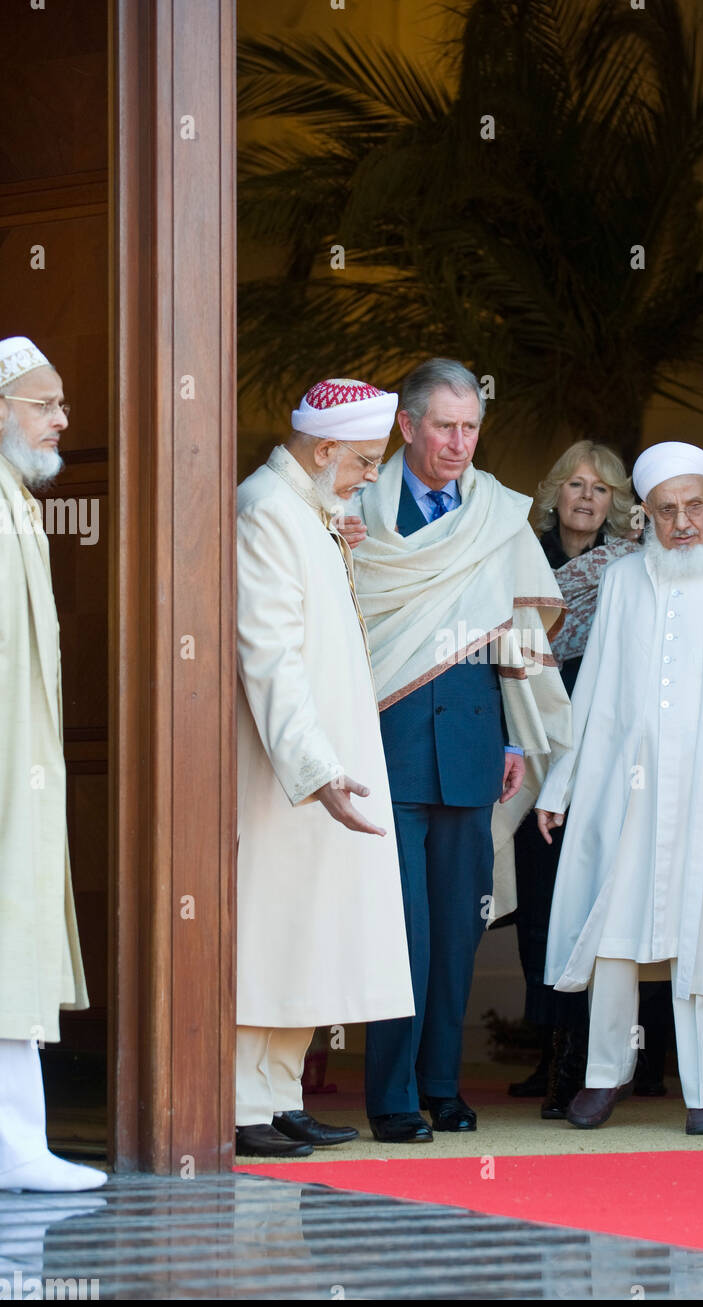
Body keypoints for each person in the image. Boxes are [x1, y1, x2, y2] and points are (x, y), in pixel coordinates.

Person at [536, 441, 703, 1136]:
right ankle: (602, 1078)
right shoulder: (625, 581)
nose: (681, 522)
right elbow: (591, 688)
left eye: (693, 506)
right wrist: (558, 787)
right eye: (665, 510)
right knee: (614, 934)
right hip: (629, 793)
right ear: (646, 515)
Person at [352, 358, 572, 1142]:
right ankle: (391, 1096)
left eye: (469, 426)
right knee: (400, 929)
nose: (457, 443)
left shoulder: (497, 514)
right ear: (406, 425)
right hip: (387, 744)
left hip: (476, 747)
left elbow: (516, 628)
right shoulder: (357, 509)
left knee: (455, 929)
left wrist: (516, 733)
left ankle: (441, 1086)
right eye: (443, 426)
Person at [235, 377, 415, 1157]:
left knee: (308, 931)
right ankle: (240, 1104)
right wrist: (313, 768)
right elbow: (268, 655)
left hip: (326, 760)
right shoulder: (266, 511)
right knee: (270, 930)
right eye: (366, 462)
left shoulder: (308, 509)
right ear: (323, 449)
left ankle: (278, 1097)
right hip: (284, 769)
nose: (372, 477)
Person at [0, 335, 106, 1192]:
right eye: (47, 403)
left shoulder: (22, 503)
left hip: (21, 765)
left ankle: (19, 1146)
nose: (63, 418)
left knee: (18, 939)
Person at [510, 441, 639, 1116]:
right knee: (537, 903)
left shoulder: (629, 568)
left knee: (591, 899)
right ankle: (547, 1046)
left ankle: (587, 1059)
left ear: (615, 503)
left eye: (601, 489)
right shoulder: (521, 559)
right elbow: (505, 644)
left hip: (601, 744)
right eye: (576, 485)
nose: (587, 497)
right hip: (531, 738)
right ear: (555, 491)